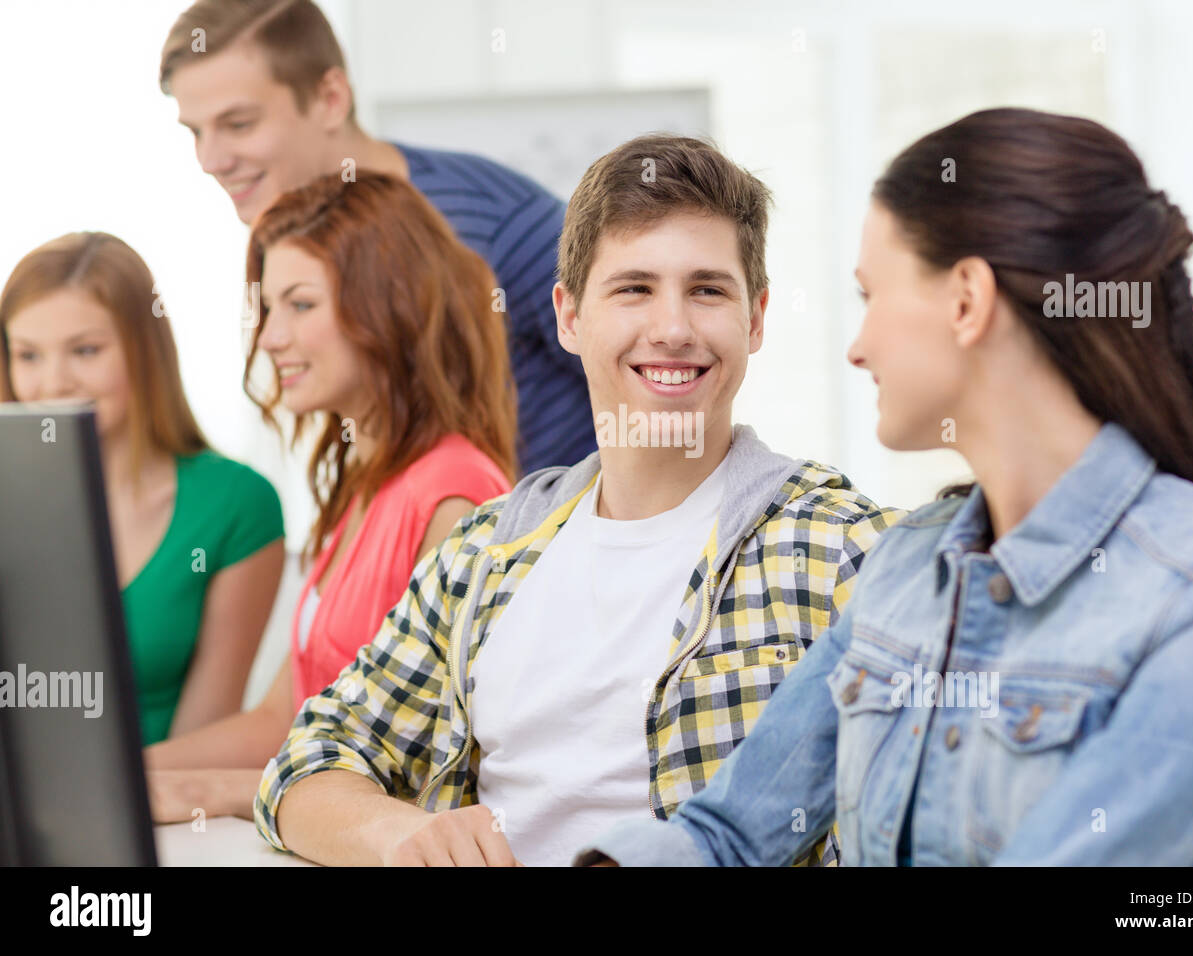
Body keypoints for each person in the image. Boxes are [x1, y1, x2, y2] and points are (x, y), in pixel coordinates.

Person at [574, 108, 1193, 867]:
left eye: (869, 297)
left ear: (965, 301)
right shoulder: (906, 568)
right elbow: (726, 837)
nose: (858, 348)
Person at [252, 134, 902, 866]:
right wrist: (401, 832)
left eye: (707, 290)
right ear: (568, 317)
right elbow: (306, 761)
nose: (673, 328)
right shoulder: (484, 555)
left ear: (754, 320)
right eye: (634, 289)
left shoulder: (839, 549)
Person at [144, 171, 515, 823]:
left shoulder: (456, 496)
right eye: (268, 308)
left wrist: (209, 792)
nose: (269, 337)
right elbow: (281, 718)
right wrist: (126, 770)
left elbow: (422, 770)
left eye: (301, 305)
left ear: (388, 306)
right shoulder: (362, 485)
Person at [158, 0, 593, 473]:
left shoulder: (501, 221)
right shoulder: (291, 242)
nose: (210, 159)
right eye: (195, 132)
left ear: (330, 99)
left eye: (238, 124)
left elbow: (649, 394)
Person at [1, 232, 285, 747]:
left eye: (85, 350)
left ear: (144, 351)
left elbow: (204, 742)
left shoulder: (236, 505)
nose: (53, 383)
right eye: (28, 355)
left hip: (157, 815)